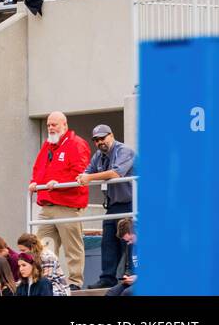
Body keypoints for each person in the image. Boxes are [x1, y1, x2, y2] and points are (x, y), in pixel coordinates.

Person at [29, 111, 90, 290]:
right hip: (48, 206)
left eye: (54, 124)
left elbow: (80, 172)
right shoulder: (48, 145)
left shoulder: (77, 144)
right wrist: (34, 182)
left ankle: (75, 282)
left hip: (68, 205)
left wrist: (59, 184)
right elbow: (38, 168)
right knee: (42, 246)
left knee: (72, 247)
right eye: (48, 125)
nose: (50, 128)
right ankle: (47, 281)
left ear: (64, 125)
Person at [79, 123, 136, 287]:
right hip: (113, 205)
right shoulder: (98, 155)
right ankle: (107, 279)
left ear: (111, 135)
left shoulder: (124, 150)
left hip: (132, 203)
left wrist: (88, 178)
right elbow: (87, 172)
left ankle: (132, 276)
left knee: (129, 241)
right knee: (108, 242)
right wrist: (81, 177)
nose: (99, 142)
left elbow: (116, 173)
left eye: (102, 138)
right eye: (96, 140)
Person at [17, 232, 69, 296]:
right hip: (37, 284)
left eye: (23, 250)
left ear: (32, 247)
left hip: (57, 289)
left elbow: (46, 280)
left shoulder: (48, 257)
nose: (21, 253)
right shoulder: (29, 257)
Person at [105, 218, 137, 296]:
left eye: (130, 239)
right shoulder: (131, 246)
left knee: (128, 293)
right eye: (127, 241)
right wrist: (127, 276)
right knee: (111, 293)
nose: (129, 243)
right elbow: (130, 268)